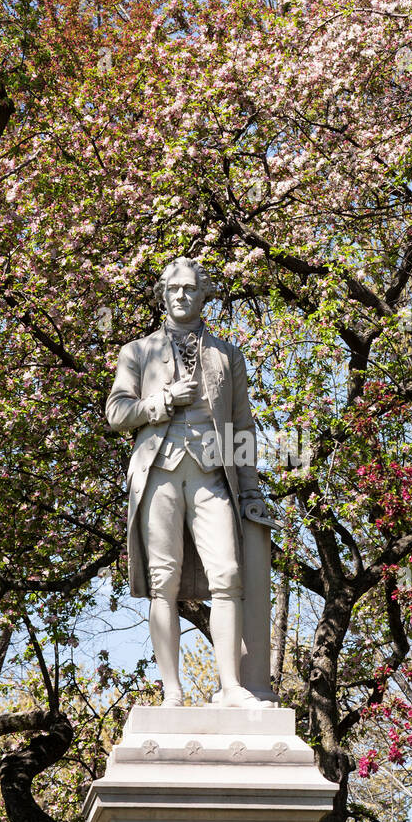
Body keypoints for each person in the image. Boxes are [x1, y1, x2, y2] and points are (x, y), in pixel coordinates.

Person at [106, 257, 272, 706]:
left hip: (211, 474)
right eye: (174, 288)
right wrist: (160, 400)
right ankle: (173, 691)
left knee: (229, 574)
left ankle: (231, 687)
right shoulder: (137, 352)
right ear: (163, 293)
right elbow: (117, 412)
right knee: (164, 580)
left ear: (205, 295)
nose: (182, 295)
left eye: (191, 289)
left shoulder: (226, 353)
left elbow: (242, 426)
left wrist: (251, 489)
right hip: (158, 473)